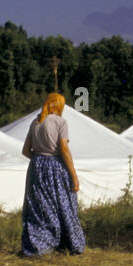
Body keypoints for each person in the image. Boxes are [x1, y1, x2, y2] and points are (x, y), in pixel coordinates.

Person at [19, 92, 85, 257]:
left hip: (36, 167)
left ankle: (39, 245)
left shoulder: (35, 122)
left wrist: (39, 160)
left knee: (39, 208)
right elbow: (63, 148)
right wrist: (73, 175)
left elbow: (26, 150)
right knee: (63, 205)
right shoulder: (60, 122)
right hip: (55, 167)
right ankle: (70, 243)